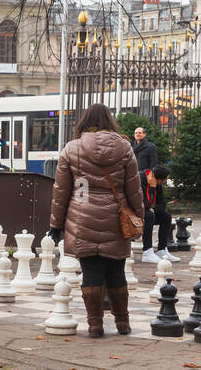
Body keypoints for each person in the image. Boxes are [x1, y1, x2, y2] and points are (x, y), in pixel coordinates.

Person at [50, 104, 144, 337]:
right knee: (116, 269)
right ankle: (123, 323)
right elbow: (134, 188)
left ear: (84, 121)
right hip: (116, 217)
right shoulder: (125, 148)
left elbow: (61, 191)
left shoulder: (72, 149)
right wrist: (139, 217)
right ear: (110, 121)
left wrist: (56, 224)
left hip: (82, 217)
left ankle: (94, 325)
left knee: (90, 270)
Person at [140, 165, 179, 264]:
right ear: (160, 179)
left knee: (166, 216)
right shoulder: (141, 180)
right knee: (149, 215)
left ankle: (162, 250)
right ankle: (147, 251)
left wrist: (153, 209)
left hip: (146, 210)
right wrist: (152, 188)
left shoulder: (157, 182)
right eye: (166, 179)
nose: (166, 181)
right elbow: (145, 203)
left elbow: (162, 203)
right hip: (135, 213)